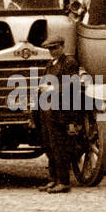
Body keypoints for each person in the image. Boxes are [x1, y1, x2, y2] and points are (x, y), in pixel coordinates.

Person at [37, 37, 80, 193]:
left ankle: (63, 181)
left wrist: (51, 89)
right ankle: (53, 179)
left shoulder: (69, 63)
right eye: (50, 49)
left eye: (55, 48)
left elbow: (73, 83)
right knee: (49, 145)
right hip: (48, 110)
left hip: (61, 110)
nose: (52, 52)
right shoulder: (50, 64)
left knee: (59, 147)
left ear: (62, 46)